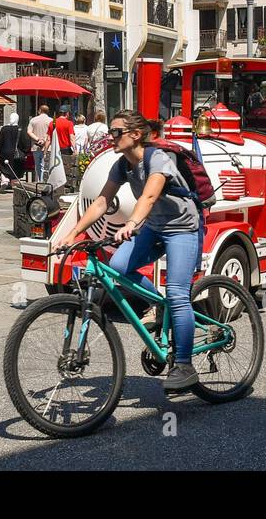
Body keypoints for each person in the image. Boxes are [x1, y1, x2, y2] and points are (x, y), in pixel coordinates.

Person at [52, 110, 202, 393]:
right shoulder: (122, 165)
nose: (112, 137)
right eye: (110, 132)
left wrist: (131, 223)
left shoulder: (158, 158)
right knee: (119, 268)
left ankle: (184, 364)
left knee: (178, 293)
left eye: (116, 132)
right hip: (154, 226)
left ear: (135, 135)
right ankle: (159, 305)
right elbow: (101, 202)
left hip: (181, 226)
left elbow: (149, 195)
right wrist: (72, 233)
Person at [0, 113, 25, 181]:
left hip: (4, 152)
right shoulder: (20, 130)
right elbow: (24, 143)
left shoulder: (4, 129)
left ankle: (5, 180)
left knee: (4, 168)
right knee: (16, 169)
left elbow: (0, 142)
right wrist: (24, 152)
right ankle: (14, 183)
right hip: (16, 154)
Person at [27, 104, 52, 182]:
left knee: (38, 166)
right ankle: (44, 182)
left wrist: (37, 139)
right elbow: (52, 134)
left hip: (36, 146)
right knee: (45, 166)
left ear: (39, 110)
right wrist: (44, 140)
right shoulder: (51, 120)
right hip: (47, 147)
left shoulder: (33, 120)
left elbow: (29, 132)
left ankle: (40, 181)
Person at [52, 105, 75, 171]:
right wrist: (75, 150)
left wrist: (45, 152)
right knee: (66, 169)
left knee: (56, 168)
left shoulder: (52, 123)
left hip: (55, 149)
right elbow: (72, 137)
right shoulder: (69, 123)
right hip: (66, 150)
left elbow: (48, 139)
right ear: (67, 113)